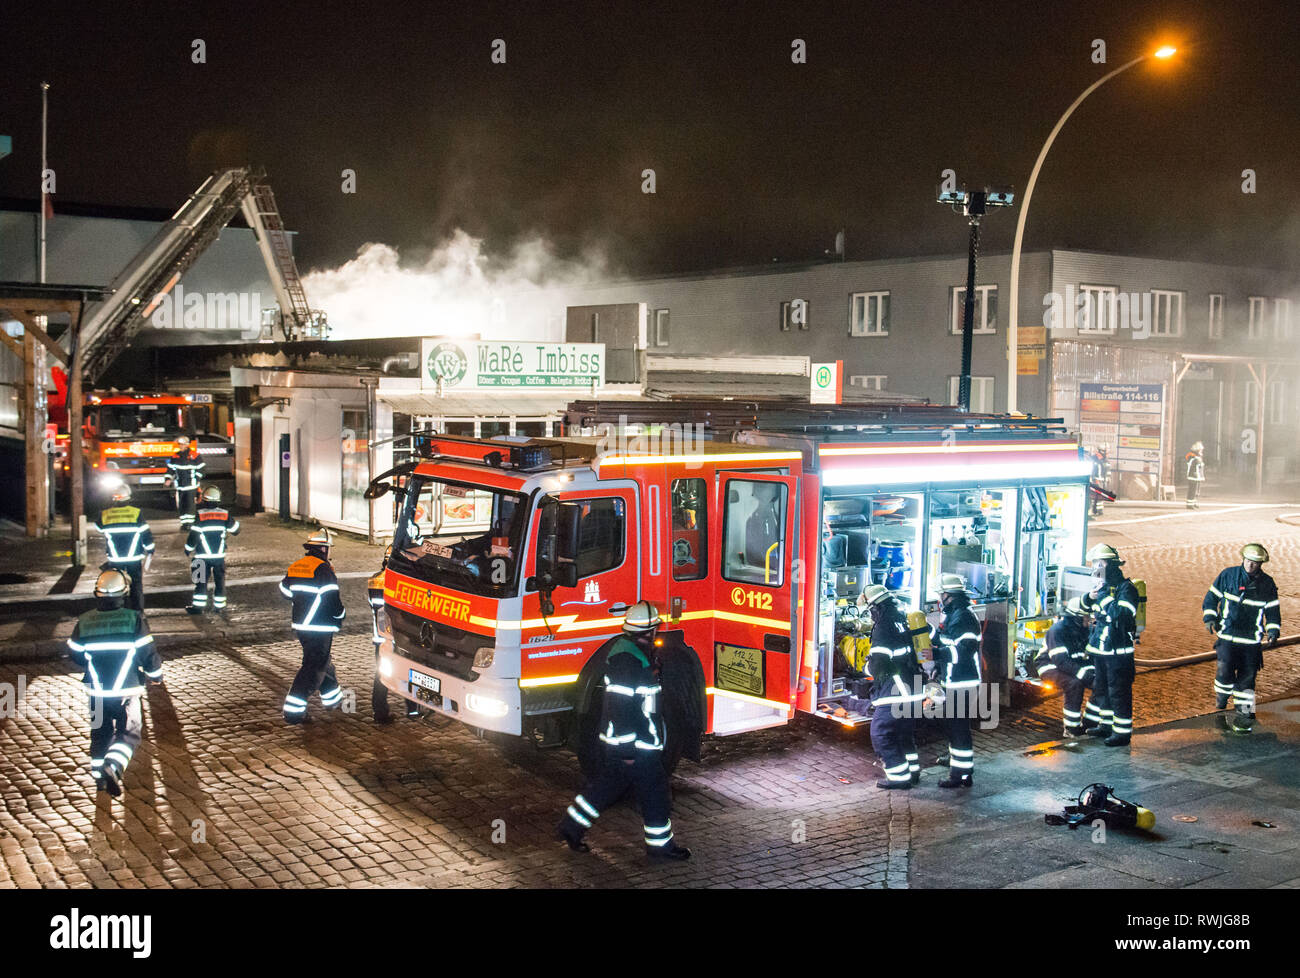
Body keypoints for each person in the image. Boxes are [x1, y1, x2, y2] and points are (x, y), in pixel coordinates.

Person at [557, 601, 691, 861]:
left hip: (625, 742)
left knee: (605, 788)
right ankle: (660, 848)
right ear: (650, 630)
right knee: (655, 794)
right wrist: (628, 748)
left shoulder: (630, 653)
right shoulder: (627, 660)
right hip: (636, 745)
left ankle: (570, 827)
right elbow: (621, 707)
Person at [66, 570, 163, 797]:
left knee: (100, 733)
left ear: (97, 595)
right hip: (126, 691)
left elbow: (76, 654)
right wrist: (156, 675)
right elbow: (148, 654)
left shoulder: (85, 621)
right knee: (129, 733)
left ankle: (100, 778)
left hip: (96, 692)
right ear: (124, 594)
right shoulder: (134, 620)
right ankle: (114, 766)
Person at [1202, 543, 1280, 732]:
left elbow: (1273, 611)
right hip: (1227, 637)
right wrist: (1210, 617)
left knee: (1247, 678)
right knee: (1224, 673)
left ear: (1261, 564)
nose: (1251, 565)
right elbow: (1211, 598)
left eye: (1255, 562)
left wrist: (1273, 630)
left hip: (1250, 642)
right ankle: (1221, 698)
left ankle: (1245, 712)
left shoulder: (1267, 584)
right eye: (1248, 561)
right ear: (1242, 559)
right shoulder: (1228, 575)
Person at [860, 584, 926, 789]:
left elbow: (879, 662)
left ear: (875, 607)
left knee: (881, 732)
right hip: (913, 686)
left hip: (896, 691)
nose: (870, 615)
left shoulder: (883, 626)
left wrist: (866, 670)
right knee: (903, 733)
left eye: (870, 611)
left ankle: (899, 778)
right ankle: (912, 772)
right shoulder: (902, 617)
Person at [279, 528, 346, 723]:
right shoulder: (324, 570)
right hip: (320, 626)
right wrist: (340, 615)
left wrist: (301, 601)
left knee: (322, 661)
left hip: (301, 625)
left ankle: (333, 699)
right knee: (313, 667)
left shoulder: (297, 566)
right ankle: (293, 712)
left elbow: (284, 589)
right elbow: (333, 599)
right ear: (324, 549)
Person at [1079, 543, 1140, 746]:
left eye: (1099, 562)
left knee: (1119, 692)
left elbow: (1121, 615)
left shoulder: (1127, 589)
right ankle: (1106, 726)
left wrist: (1103, 596)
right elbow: (1085, 607)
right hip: (1101, 650)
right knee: (1102, 689)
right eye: (1094, 563)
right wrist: (1090, 597)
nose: (1096, 567)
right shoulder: (1102, 587)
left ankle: (1122, 733)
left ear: (1111, 564)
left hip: (1118, 653)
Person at [930, 574, 981, 787]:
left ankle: (960, 775)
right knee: (953, 726)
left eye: (940, 595)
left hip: (962, 682)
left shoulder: (963, 618)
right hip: (953, 679)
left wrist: (937, 655)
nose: (939, 599)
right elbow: (945, 642)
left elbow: (963, 651)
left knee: (958, 728)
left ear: (948, 595)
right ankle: (958, 764)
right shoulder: (954, 614)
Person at [369, 546, 419, 723]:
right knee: (409, 672)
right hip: (401, 638)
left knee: (381, 674)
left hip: (380, 638)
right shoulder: (403, 583)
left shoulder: (375, 580)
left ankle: (379, 711)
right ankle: (413, 709)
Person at [1034, 597, 1096, 737]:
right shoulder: (1057, 631)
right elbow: (1060, 661)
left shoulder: (1085, 629)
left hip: (1073, 665)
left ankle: (1090, 724)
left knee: (1100, 683)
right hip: (1049, 666)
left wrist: (1094, 674)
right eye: (1086, 617)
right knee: (1074, 684)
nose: (1089, 621)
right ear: (1076, 618)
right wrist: (1084, 675)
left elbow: (1089, 656)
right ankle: (1071, 728)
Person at [92, 484, 155, 612]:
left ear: (114, 499)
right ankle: (137, 612)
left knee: (117, 585)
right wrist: (150, 549)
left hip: (115, 558)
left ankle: (119, 609)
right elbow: (146, 534)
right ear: (128, 498)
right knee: (136, 585)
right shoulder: (136, 513)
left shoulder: (105, 514)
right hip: (134, 558)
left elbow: (98, 528)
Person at [184, 486, 240, 614]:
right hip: (218, 557)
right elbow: (236, 530)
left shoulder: (200, 515)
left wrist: (188, 549)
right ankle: (219, 607)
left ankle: (198, 608)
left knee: (200, 581)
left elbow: (193, 536)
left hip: (201, 556)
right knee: (220, 582)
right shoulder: (224, 514)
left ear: (204, 500)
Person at [166, 437, 205, 528]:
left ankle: (190, 523)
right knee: (182, 505)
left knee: (190, 505)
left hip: (191, 485)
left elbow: (202, 469)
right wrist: (168, 479)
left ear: (187, 445)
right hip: (180, 486)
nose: (180, 446)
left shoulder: (195, 456)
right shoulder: (175, 456)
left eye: (182, 444)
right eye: (179, 444)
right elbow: (170, 470)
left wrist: (197, 479)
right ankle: (184, 523)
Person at [1185, 441, 1206, 510]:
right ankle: (1189, 504)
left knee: (1197, 491)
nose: (1201, 451)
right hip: (1193, 477)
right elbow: (1190, 466)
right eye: (1200, 450)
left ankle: (1194, 502)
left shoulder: (1198, 457)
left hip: (1198, 477)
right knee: (1192, 491)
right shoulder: (1192, 456)